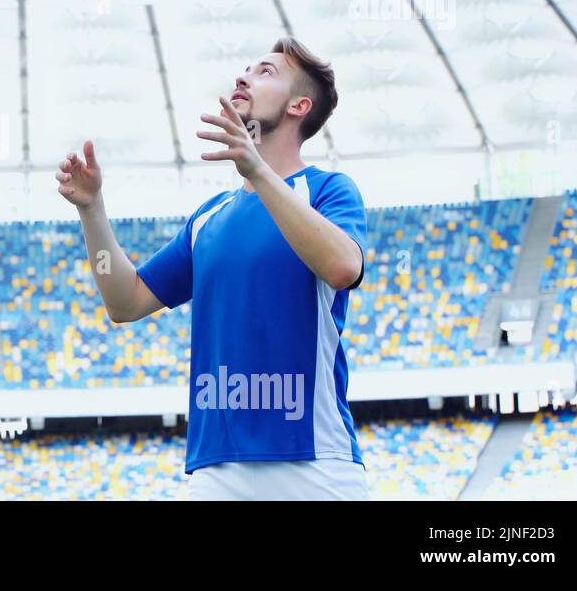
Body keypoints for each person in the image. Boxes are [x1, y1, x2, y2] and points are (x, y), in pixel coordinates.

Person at [57, 36, 369, 500]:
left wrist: (258, 171)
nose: (243, 76)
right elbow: (124, 301)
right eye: (245, 68)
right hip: (216, 470)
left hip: (316, 461)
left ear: (300, 105)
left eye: (266, 72)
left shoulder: (328, 191)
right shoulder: (208, 219)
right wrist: (91, 210)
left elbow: (344, 267)